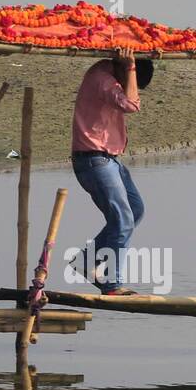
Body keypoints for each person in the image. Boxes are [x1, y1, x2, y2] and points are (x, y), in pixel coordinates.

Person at [70, 46, 154, 296]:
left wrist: (129, 70)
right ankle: (112, 283)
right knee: (123, 220)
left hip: (109, 158)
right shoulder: (103, 78)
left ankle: (87, 261)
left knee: (135, 210)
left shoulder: (110, 74)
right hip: (94, 159)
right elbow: (130, 104)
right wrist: (129, 67)